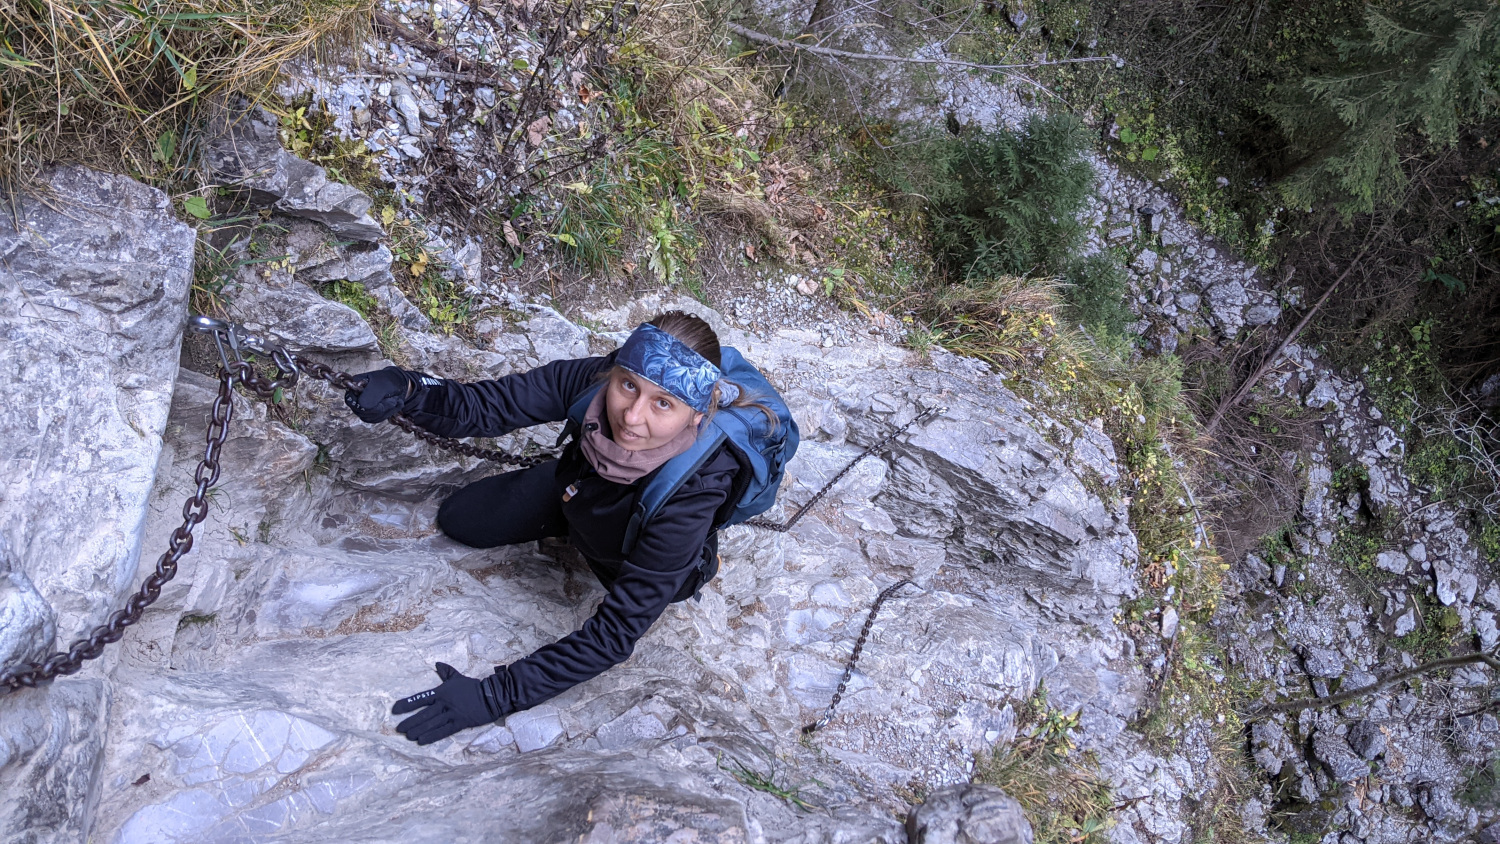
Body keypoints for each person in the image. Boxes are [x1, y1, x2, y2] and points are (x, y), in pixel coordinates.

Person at [342, 311, 772, 745]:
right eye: (628, 386)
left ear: (695, 415)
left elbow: (613, 634)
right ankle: (575, 519)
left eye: (663, 403)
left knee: (636, 561)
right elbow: (490, 405)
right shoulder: (595, 379)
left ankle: (690, 560)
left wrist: (495, 695)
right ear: (617, 370)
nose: (632, 417)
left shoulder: (694, 492)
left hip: (631, 544)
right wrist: (409, 389)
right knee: (463, 518)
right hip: (580, 489)